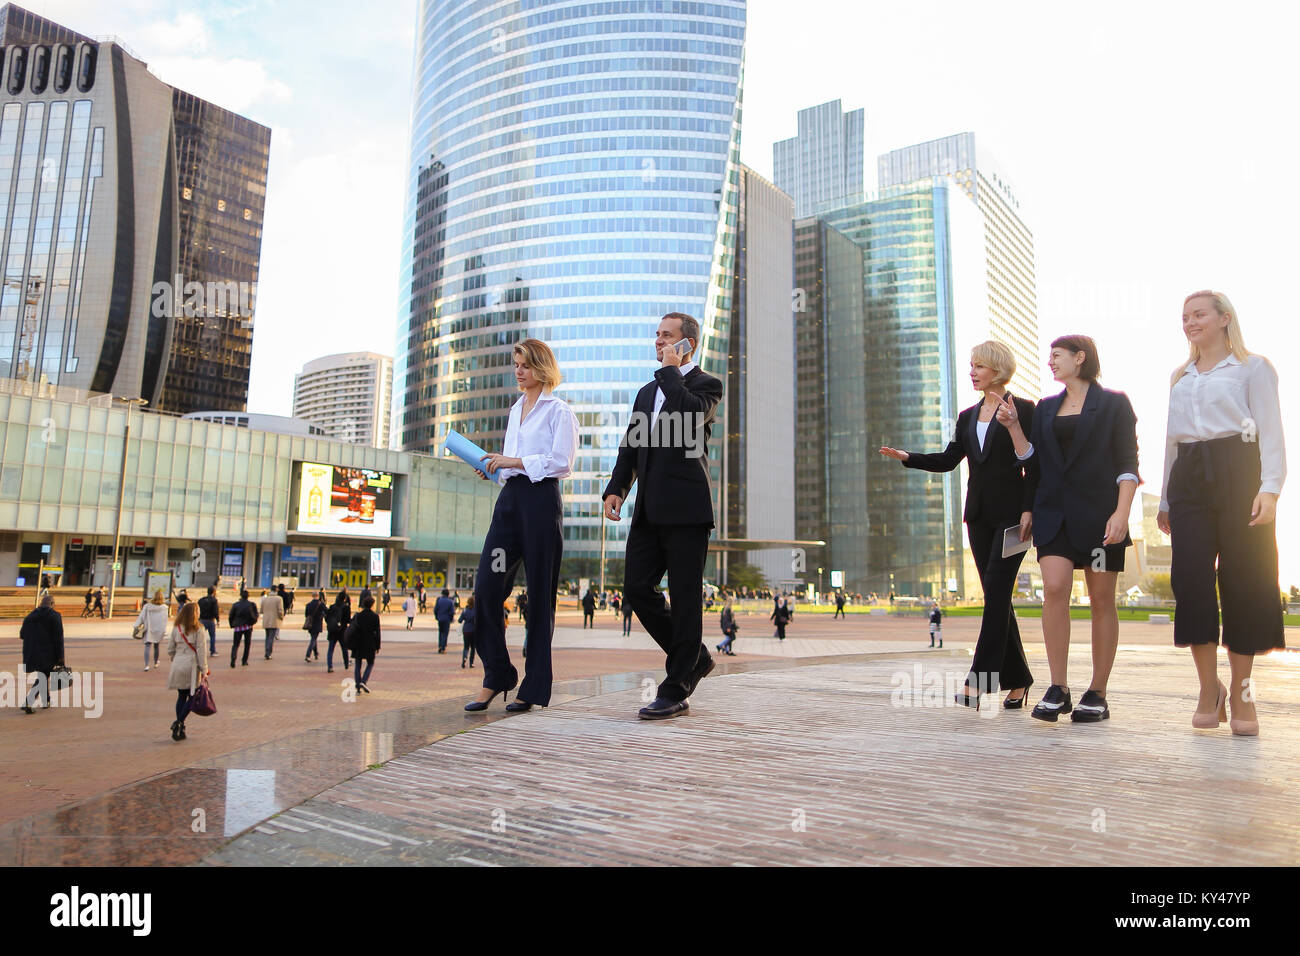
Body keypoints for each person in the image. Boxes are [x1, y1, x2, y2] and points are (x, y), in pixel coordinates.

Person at [881, 340, 1037, 707]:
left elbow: (1034, 465)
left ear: (996, 369)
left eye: (978, 366)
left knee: (997, 597)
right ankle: (1020, 679)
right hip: (978, 518)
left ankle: (979, 681)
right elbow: (951, 459)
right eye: (971, 366)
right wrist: (910, 457)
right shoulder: (967, 416)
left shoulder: (1026, 410)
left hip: (1015, 520)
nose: (972, 372)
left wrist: (1031, 509)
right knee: (997, 598)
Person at [1158, 291, 1286, 736]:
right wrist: (1165, 499)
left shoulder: (1253, 368)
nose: (1189, 322)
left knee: (1245, 580)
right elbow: (1172, 441)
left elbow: (1270, 430)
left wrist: (1270, 490)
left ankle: (1244, 690)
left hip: (1241, 471)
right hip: (1189, 478)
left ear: (1224, 318)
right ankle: (1208, 688)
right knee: (1191, 580)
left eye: (1198, 315)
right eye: (1184, 317)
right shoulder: (1180, 377)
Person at [999, 334, 1139, 724]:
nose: (1050, 362)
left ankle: (1097, 691)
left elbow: (1129, 463)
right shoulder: (1044, 409)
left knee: (1101, 602)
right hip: (1053, 514)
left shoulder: (1114, 403)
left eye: (1057, 356)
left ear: (1081, 358)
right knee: (1055, 589)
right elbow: (1033, 461)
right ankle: (1058, 687)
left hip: (1100, 518)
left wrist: (1121, 513)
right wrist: (1013, 427)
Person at [603, 312, 723, 720]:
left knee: (686, 601)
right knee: (637, 588)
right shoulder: (645, 392)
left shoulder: (707, 384)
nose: (658, 341)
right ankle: (696, 657)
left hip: (688, 510)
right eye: (656, 335)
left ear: (687, 343)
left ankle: (675, 688)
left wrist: (672, 372)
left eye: (666, 336)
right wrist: (617, 488)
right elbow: (630, 448)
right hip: (648, 511)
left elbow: (690, 415)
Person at [465, 338, 578, 713]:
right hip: (509, 504)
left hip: (540, 504)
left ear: (541, 368)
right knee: (486, 586)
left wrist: (512, 461)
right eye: (516, 364)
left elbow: (561, 462)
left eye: (525, 365)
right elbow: (512, 463)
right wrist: (495, 469)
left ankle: (533, 686)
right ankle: (497, 674)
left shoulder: (559, 411)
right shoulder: (515, 411)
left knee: (540, 597)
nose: (518, 371)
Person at [166, 600, 209, 742]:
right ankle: (178, 722)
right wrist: (204, 669)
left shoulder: (177, 628)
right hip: (191, 664)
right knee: (192, 696)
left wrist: (175, 658)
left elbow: (170, 649)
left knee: (181, 695)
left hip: (178, 662)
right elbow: (201, 651)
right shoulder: (198, 629)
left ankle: (180, 727)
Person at [21, 592, 64, 713]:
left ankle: (46, 701)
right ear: (52, 604)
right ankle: (28, 702)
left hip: (31, 653)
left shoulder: (29, 616)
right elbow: (58, 639)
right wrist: (61, 657)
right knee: (43, 676)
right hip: (48, 653)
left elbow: (22, 634)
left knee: (43, 675)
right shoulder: (55, 616)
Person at [348, 593, 381, 694]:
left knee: (358, 664)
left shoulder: (358, 616)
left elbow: (351, 626)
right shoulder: (375, 616)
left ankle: (358, 685)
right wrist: (378, 645)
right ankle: (364, 680)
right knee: (370, 663)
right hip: (370, 643)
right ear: (372, 605)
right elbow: (377, 632)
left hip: (358, 643)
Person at [135, 589, 169, 671]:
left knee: (147, 646)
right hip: (159, 629)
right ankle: (156, 662)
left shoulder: (147, 606)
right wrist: (164, 630)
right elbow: (165, 620)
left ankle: (146, 665)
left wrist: (136, 625)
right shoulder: (164, 608)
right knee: (156, 646)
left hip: (148, 628)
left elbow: (141, 617)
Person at [228, 589, 258, 667]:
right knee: (247, 644)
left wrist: (232, 624)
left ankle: (233, 659)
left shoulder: (236, 605)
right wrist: (252, 623)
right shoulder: (251, 605)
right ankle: (244, 661)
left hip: (238, 627)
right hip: (247, 626)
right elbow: (255, 616)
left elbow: (231, 616)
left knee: (235, 644)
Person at [325, 589, 352, 673]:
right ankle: (346, 664)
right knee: (344, 648)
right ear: (344, 599)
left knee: (330, 649)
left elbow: (327, 618)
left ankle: (330, 666)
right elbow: (348, 620)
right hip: (342, 631)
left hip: (332, 631)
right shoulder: (346, 607)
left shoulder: (332, 606)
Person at [259, 587, 284, 660]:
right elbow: (280, 610)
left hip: (266, 620)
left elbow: (261, 610)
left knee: (267, 637)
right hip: (274, 620)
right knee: (271, 637)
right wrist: (281, 617)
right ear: (276, 591)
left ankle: (267, 651)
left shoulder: (265, 598)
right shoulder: (279, 599)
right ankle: (268, 653)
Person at [303, 590, 326, 662]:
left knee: (314, 638)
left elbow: (306, 615)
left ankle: (316, 653)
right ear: (318, 596)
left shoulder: (308, 604)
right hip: (317, 623)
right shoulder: (321, 604)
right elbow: (327, 611)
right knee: (313, 639)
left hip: (310, 624)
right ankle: (308, 655)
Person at [198, 585, 220, 655]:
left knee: (200, 636)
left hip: (201, 620)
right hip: (210, 620)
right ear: (214, 592)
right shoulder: (214, 600)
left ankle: (198, 649)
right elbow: (215, 611)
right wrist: (218, 619)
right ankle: (212, 651)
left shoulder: (201, 600)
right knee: (212, 636)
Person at [433, 589, 455, 653]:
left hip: (440, 619)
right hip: (446, 619)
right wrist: (451, 619)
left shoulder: (439, 601)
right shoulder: (450, 601)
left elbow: (435, 610)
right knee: (445, 633)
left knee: (440, 633)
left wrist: (437, 617)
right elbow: (452, 612)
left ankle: (440, 646)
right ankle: (443, 648)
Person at [459, 595, 477, 668]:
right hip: (473, 631)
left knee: (466, 647)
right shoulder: (476, 610)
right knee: (473, 647)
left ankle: (464, 658)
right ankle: (471, 662)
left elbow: (460, 620)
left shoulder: (465, 610)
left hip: (466, 630)